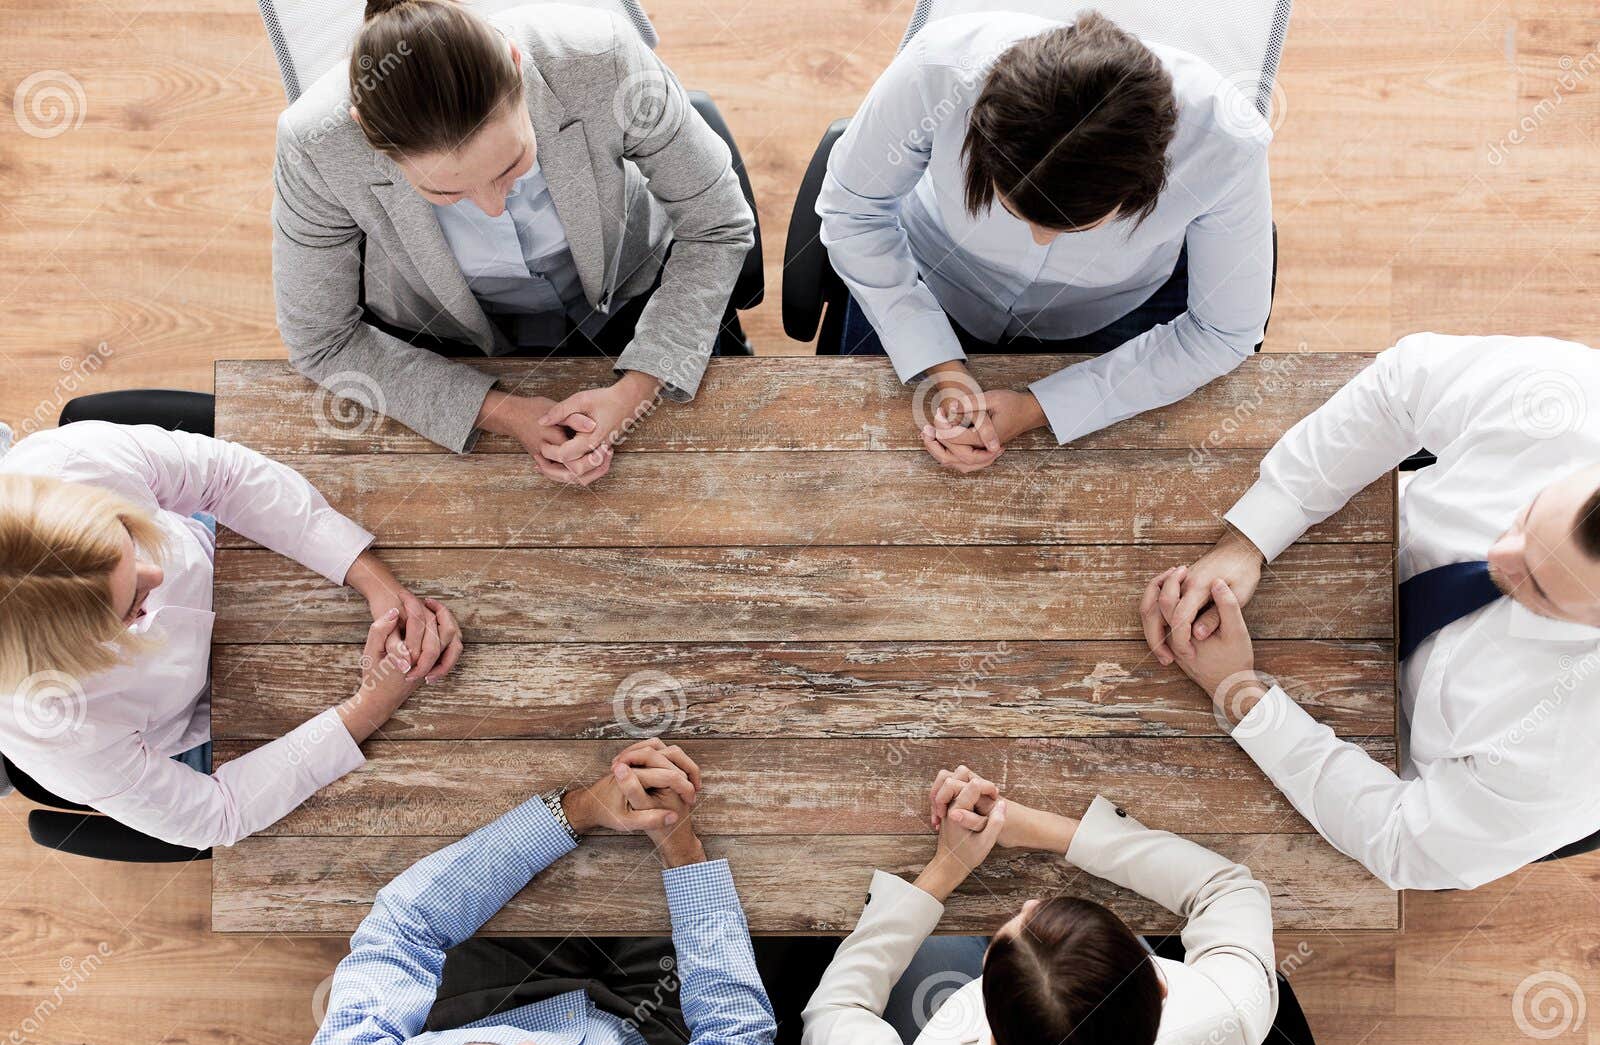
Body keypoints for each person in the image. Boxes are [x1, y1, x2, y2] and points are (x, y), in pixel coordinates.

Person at [1143, 333, 1600, 891]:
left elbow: (1406, 843)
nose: (1496, 554)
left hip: (1433, 769)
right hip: (1362, 554)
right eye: (1526, 519)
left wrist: (1242, 694)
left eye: (1540, 590)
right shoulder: (1574, 395)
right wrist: (1252, 536)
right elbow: (1401, 388)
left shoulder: (1571, 756)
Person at [272, 0, 755, 485]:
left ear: (515, 63)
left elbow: (717, 224)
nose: (491, 209)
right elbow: (321, 340)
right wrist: (505, 413)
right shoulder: (315, 145)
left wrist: (638, 388)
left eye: (511, 166)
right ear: (365, 133)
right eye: (446, 192)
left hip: (628, 292)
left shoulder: (600, 57)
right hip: (445, 340)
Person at [817, 11, 1273, 473]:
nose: (1038, 240)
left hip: (1113, 304)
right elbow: (852, 211)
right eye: (1014, 210)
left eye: (1077, 229)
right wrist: (936, 360)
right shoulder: (937, 71)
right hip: (928, 270)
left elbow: (1223, 331)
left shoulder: (1227, 145)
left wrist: (1041, 407)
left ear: (1148, 183)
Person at [0, 420, 460, 850]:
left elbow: (225, 477)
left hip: (225, 555)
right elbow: (218, 813)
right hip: (189, 723)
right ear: (78, 653)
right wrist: (372, 705)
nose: (156, 574)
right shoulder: (54, 731)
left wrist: (372, 579)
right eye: (131, 603)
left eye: (128, 537)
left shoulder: (68, 460)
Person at [306, 739, 775, 1045]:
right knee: (779, 931)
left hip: (491, 998)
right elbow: (732, 1039)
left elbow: (402, 927)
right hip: (655, 1035)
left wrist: (582, 808)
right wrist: (680, 845)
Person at [802, 767, 1278, 1045]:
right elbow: (1227, 889)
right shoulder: (1223, 1020)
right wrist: (1036, 827)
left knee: (927, 950)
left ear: (994, 1042)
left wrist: (946, 869)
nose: (1025, 905)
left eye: (998, 946)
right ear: (1158, 985)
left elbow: (833, 1015)